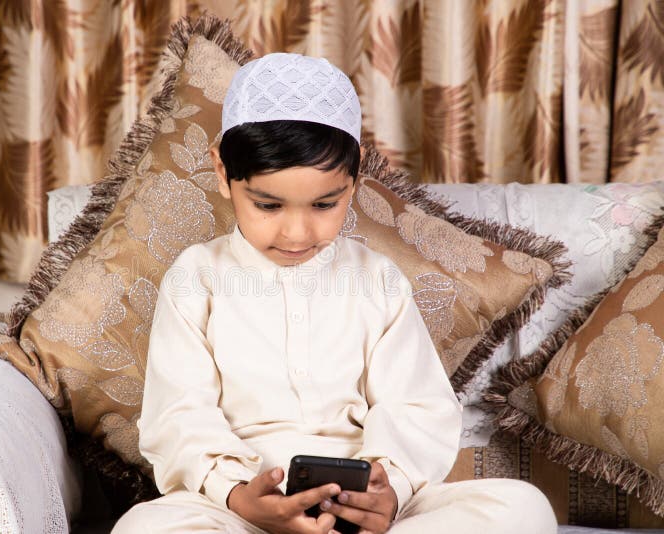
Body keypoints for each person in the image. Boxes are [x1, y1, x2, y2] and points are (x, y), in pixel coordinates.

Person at [112, 53, 556, 534]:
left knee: (522, 508)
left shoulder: (377, 280)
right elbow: (177, 415)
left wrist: (389, 493)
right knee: (143, 528)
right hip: (239, 507)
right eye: (268, 204)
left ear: (356, 174)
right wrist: (238, 495)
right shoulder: (195, 278)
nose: (298, 232)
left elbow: (416, 405)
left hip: (363, 505)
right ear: (223, 172)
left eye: (325, 204)